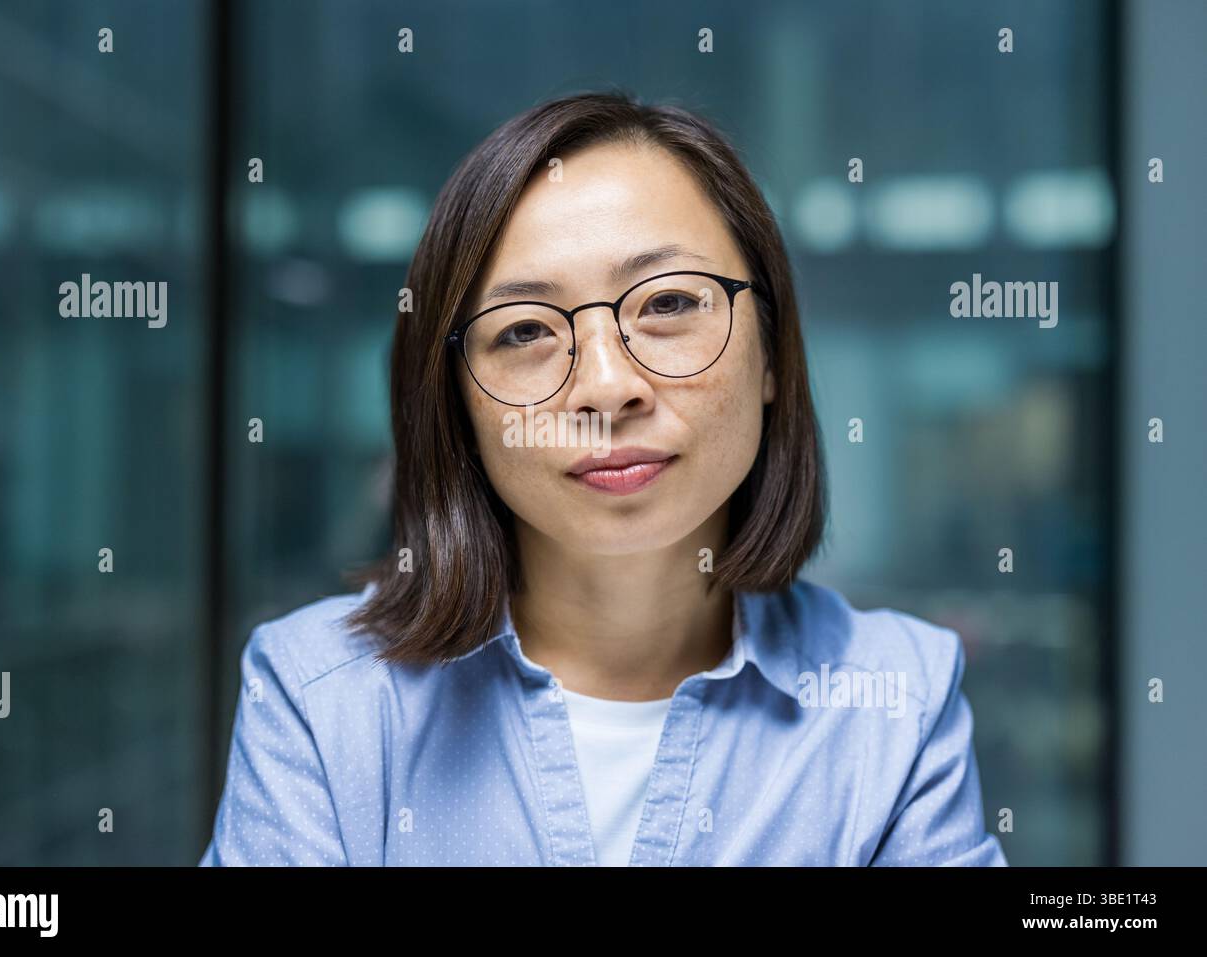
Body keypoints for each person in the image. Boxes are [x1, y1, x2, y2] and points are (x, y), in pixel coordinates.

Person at [199, 90, 1008, 867]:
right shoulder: (321, 696)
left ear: (771, 353)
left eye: (667, 304)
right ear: (456, 403)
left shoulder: (893, 701)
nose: (606, 387)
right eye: (524, 329)